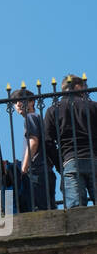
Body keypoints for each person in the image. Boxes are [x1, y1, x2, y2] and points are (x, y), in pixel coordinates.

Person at [44, 75, 97, 208]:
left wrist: (59, 164)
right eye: (85, 88)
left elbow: (47, 142)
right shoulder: (93, 107)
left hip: (70, 160)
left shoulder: (53, 110)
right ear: (78, 87)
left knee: (76, 211)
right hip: (94, 157)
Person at [12, 89, 55, 211]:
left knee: (40, 210)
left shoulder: (31, 117)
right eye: (15, 102)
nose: (18, 104)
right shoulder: (37, 118)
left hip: (37, 170)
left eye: (21, 100)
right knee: (48, 208)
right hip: (45, 170)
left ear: (32, 102)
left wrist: (24, 168)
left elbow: (33, 142)